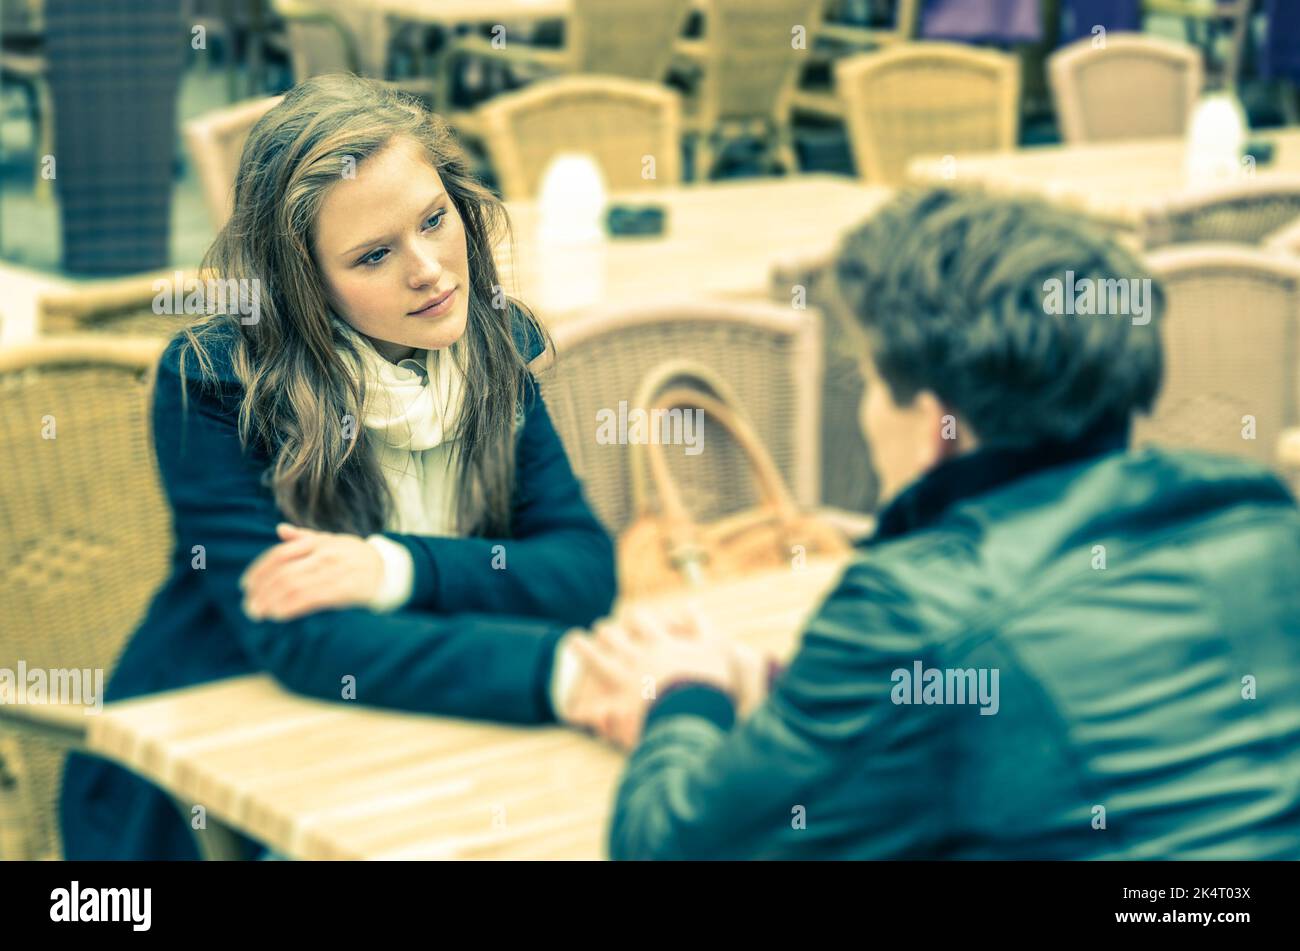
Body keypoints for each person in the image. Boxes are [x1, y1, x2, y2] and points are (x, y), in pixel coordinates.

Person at [574, 189, 1300, 860]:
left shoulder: (908, 611)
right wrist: (774, 682)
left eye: (871, 387)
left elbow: (668, 845)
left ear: (933, 427)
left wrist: (682, 692)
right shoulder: (1259, 515)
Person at [59, 74, 618, 860]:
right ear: (305, 286)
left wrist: (389, 570)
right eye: (374, 255)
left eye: (433, 219)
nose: (428, 268)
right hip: (211, 791)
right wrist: (556, 672)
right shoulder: (216, 385)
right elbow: (307, 640)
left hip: (422, 746)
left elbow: (582, 567)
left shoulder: (494, 345)